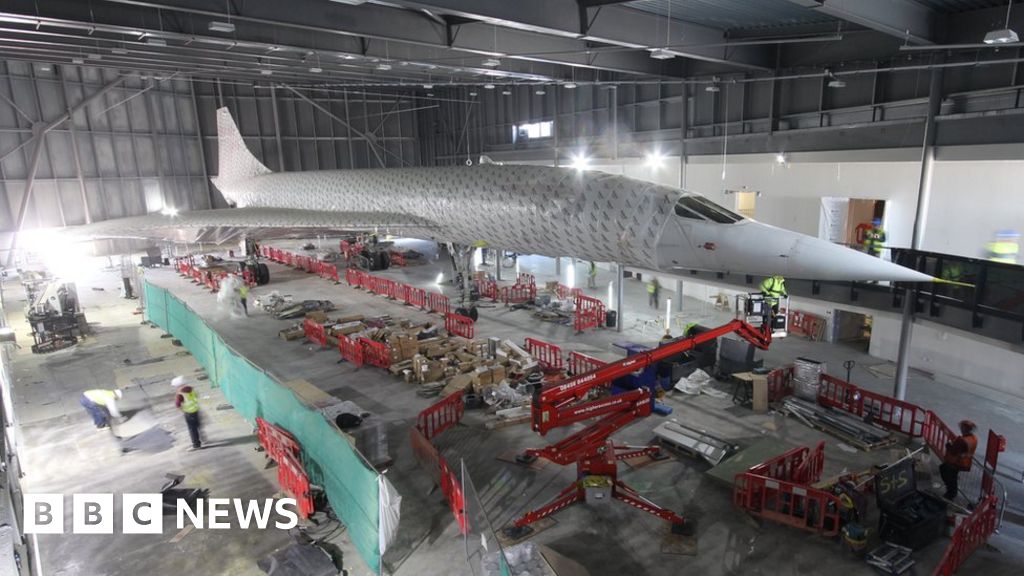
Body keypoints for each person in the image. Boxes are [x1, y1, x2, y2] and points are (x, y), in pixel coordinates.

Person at [940, 420, 978, 500]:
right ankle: (951, 492)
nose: (961, 429)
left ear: (965, 429)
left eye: (962, 427)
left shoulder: (963, 441)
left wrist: (948, 445)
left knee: (948, 475)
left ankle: (950, 495)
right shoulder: (973, 439)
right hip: (963, 462)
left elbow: (953, 450)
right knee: (948, 473)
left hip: (956, 462)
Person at [173, 376, 202, 450]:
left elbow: (177, 405)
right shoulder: (191, 389)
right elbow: (196, 395)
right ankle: (203, 439)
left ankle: (196, 445)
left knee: (192, 429)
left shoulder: (180, 394)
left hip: (189, 413)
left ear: (179, 386)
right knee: (197, 425)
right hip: (196, 410)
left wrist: (182, 410)